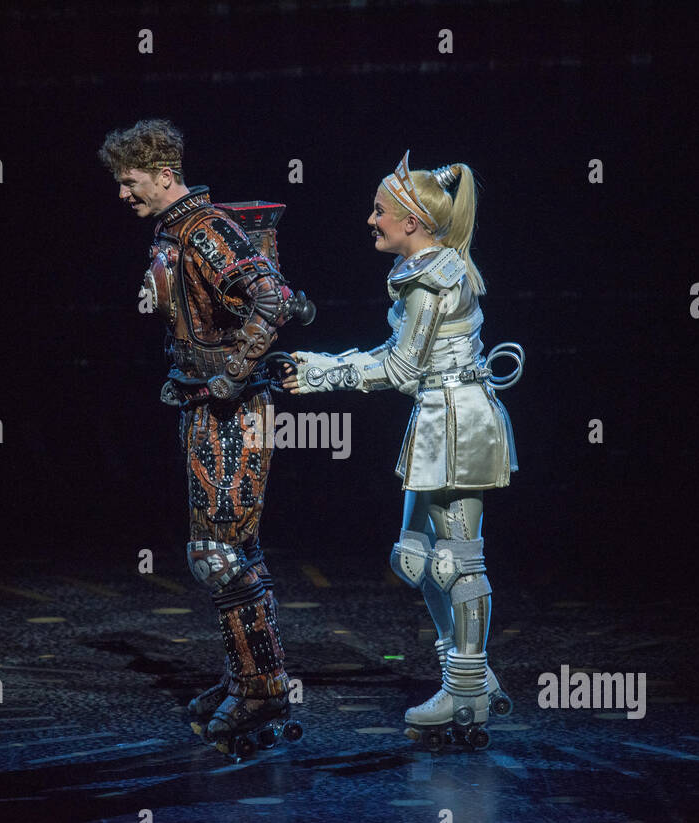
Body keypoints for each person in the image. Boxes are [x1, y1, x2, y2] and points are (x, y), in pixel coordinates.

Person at [282, 151, 520, 751]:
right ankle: (469, 668)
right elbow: (411, 370)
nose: (372, 220)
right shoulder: (431, 269)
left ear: (412, 222)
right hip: (438, 418)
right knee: (413, 558)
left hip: (458, 423)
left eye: (381, 211)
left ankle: (466, 685)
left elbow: (400, 365)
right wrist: (323, 367)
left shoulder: (430, 277)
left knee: (456, 561)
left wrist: (319, 375)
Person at [98, 119, 314, 756]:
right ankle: (251, 677)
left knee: (218, 552)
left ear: (165, 176)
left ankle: (263, 687)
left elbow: (273, 300)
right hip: (206, 405)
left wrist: (233, 374)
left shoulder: (206, 230)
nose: (123, 195)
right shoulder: (180, 231)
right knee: (227, 550)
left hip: (232, 409)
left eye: (131, 182)